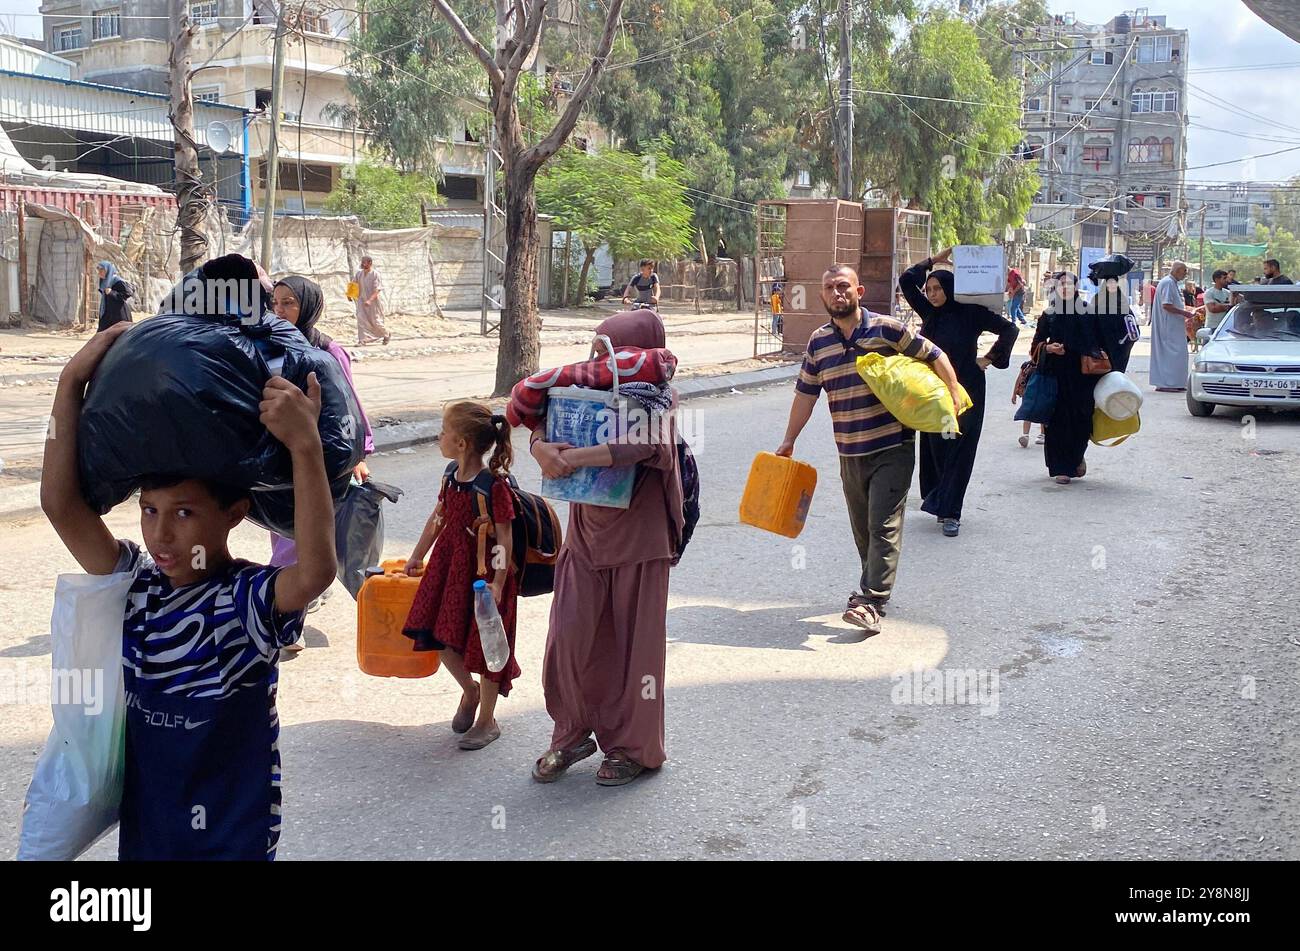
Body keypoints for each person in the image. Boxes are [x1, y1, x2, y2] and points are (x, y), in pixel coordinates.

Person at [39, 323, 336, 860]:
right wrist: (68, 385)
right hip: (150, 831)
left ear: (235, 513)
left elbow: (314, 573)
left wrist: (305, 447)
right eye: (149, 510)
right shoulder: (135, 586)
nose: (161, 535)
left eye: (184, 513)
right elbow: (62, 507)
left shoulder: (244, 600)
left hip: (232, 835)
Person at [529, 310, 683, 786]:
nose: (598, 358)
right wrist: (539, 449)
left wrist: (571, 457)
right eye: (596, 348)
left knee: (636, 653)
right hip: (585, 537)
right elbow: (540, 420)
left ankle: (633, 748)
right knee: (568, 642)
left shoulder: (659, 395)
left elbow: (645, 444)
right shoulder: (582, 389)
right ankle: (570, 733)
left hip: (639, 541)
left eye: (609, 349)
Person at [776, 264, 961, 633]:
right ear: (822, 295)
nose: (836, 293)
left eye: (843, 286)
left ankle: (872, 599)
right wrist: (789, 439)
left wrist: (953, 391)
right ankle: (873, 586)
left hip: (893, 445)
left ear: (859, 292)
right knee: (863, 529)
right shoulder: (818, 342)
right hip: (849, 450)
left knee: (882, 524)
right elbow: (805, 396)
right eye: (829, 288)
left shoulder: (887, 329)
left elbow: (933, 353)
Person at [403, 402, 519, 751]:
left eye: (444, 432)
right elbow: (438, 517)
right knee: (434, 629)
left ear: (463, 442)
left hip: (483, 576)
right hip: (447, 568)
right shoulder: (450, 476)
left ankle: (487, 720)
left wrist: (498, 583)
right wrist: (417, 554)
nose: (439, 437)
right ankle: (469, 691)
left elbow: (505, 537)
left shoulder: (492, 486)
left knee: (486, 646)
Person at [268, 276, 375, 625]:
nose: (280, 311)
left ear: (308, 306)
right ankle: (302, 596)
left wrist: (358, 454)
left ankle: (288, 619)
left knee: (299, 534)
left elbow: (349, 403)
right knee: (285, 530)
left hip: (320, 457)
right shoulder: (270, 347)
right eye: (276, 303)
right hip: (280, 455)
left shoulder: (328, 351)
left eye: (289, 303)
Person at [898, 249, 1018, 538]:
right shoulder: (929, 312)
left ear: (950, 288)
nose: (932, 294)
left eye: (937, 288)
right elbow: (905, 280)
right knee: (936, 444)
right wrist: (934, 260)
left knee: (960, 448)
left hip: (968, 390)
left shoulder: (971, 313)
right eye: (928, 289)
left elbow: (1010, 330)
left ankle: (951, 512)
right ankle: (940, 498)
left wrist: (988, 358)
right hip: (933, 390)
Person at [1031, 272, 1122, 485]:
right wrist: (1049, 348)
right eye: (1061, 284)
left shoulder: (1089, 313)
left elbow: (1103, 342)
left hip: (1083, 377)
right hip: (1056, 376)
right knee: (1057, 421)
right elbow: (1036, 344)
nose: (1065, 288)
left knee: (1081, 420)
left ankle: (1075, 458)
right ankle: (1060, 467)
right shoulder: (1050, 314)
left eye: (1069, 284)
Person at [1150, 261, 1196, 392]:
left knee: (1178, 354)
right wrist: (1185, 313)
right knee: (1172, 353)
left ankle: (1176, 382)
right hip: (1168, 326)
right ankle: (1167, 383)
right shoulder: (1168, 283)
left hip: (1174, 325)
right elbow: (1167, 305)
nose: (1185, 274)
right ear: (1177, 270)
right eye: (1184, 271)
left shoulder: (1172, 283)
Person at [354, 255, 390, 346]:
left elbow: (377, 289)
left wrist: (370, 300)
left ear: (370, 263)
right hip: (362, 301)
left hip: (374, 302)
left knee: (376, 321)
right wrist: (350, 295)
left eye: (364, 262)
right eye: (362, 262)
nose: (362, 264)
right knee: (361, 320)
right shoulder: (359, 274)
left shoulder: (375, 274)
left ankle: (386, 334)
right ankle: (362, 340)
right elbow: (354, 284)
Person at [95, 260, 133, 332]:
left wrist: (112, 293)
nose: (99, 272)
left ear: (108, 270)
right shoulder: (104, 281)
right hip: (108, 314)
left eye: (102, 269)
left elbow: (127, 293)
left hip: (119, 316)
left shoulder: (117, 281)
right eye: (98, 269)